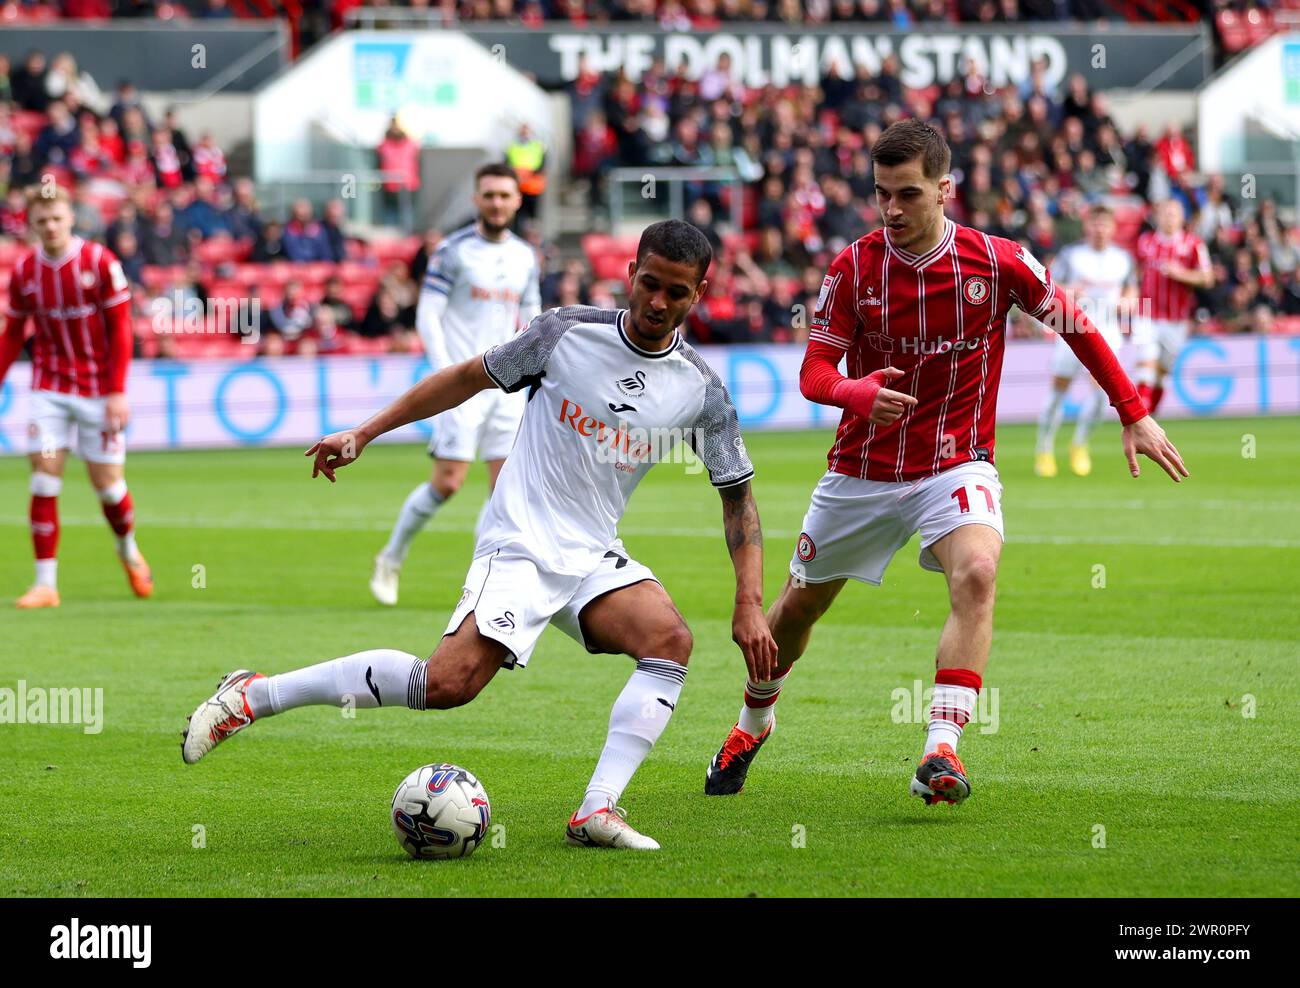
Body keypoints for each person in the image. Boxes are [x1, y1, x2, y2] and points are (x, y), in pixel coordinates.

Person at [181, 219, 776, 851]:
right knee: (448, 685)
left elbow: (737, 497)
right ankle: (254, 695)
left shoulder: (701, 387)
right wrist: (366, 431)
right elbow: (466, 378)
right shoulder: (565, 332)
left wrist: (748, 601)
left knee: (669, 641)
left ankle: (597, 810)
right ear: (629, 274)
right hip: (519, 538)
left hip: (592, 551)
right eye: (649, 283)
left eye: (676, 293)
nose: (658, 303)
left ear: (701, 292)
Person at [700, 119, 1187, 807]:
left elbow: (1077, 325)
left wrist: (1131, 410)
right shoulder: (855, 266)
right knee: (797, 612)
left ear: (945, 189)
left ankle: (940, 750)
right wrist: (855, 392)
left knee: (979, 572)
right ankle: (754, 721)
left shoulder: (998, 261)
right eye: (881, 194)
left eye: (908, 193)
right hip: (861, 471)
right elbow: (813, 371)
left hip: (956, 464)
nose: (892, 210)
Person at [369, 163, 540, 607]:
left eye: (505, 195)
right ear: (476, 199)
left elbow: (533, 316)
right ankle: (391, 556)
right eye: (489, 195)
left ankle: (479, 581)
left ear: (517, 200)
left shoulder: (525, 255)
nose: (497, 203)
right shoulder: (452, 250)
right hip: (463, 384)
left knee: (504, 490)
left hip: (508, 387)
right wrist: (446, 374)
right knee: (447, 483)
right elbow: (428, 314)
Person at [0, 187, 154, 609]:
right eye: (41, 220)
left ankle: (127, 549)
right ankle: (45, 584)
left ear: (71, 218)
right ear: (32, 224)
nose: (49, 226)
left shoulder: (100, 263)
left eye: (56, 218)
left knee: (107, 487)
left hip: (98, 390)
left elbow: (122, 327)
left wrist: (118, 390)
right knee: (44, 476)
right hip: (49, 389)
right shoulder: (26, 272)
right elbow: (14, 333)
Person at [1034, 204, 1139, 478]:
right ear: (1087, 226)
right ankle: (1044, 448)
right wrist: (1071, 291)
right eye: (1095, 223)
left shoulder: (1123, 259)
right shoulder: (1071, 256)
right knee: (1059, 390)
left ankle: (1079, 444)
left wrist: (1125, 303)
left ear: (1113, 228)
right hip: (1072, 329)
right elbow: (1049, 287)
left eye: (1105, 224)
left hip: (1106, 332)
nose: (1100, 229)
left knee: (1102, 393)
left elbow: (1132, 293)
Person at [1132, 199, 1214, 414]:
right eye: (1165, 213)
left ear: (1181, 218)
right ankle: (1140, 420)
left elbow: (1208, 278)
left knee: (1161, 375)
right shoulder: (1145, 241)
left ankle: (1150, 417)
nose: (1169, 218)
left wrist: (1182, 274)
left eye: (1174, 214)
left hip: (1176, 319)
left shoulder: (1193, 244)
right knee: (1145, 368)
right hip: (1147, 315)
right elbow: (1136, 272)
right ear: (1158, 217)